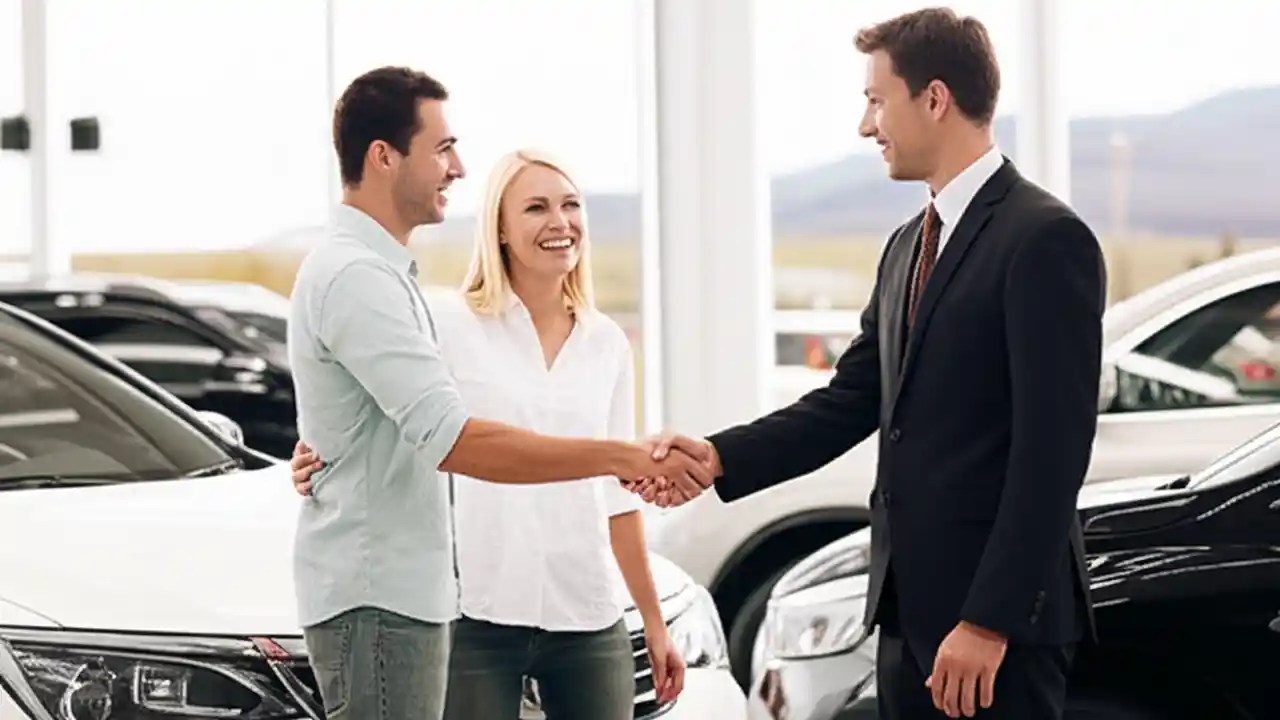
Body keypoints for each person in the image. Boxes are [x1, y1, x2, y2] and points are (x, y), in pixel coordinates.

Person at [635, 8, 1105, 720]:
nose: (866, 126)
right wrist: (716, 457)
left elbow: (1053, 457)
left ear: (935, 98)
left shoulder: (1045, 240)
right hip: (910, 617)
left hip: (994, 632)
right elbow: (848, 401)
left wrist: (988, 622)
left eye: (876, 101)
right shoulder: (907, 246)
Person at [288, 67, 707, 720]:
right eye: (442, 149)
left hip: (578, 604)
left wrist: (652, 620)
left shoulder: (605, 343)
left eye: (571, 205)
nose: (455, 167)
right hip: (466, 607)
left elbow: (614, 502)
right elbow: (448, 436)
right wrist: (623, 457)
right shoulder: (419, 308)